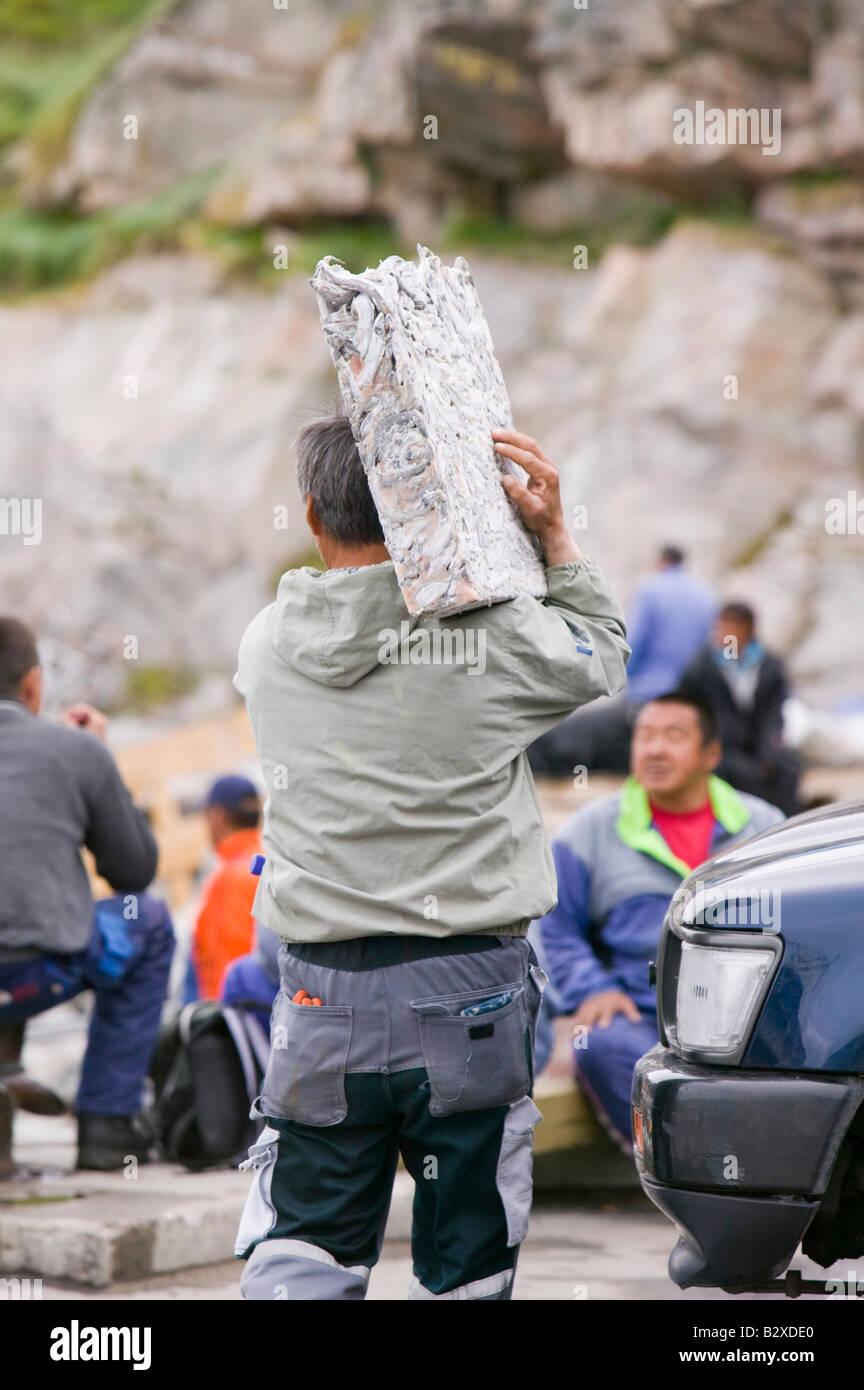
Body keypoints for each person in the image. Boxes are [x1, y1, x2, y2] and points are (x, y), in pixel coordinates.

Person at [232, 418, 630, 1301]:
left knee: (304, 1249)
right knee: (466, 1261)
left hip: (318, 997)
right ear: (427, 509)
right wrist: (552, 539)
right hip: (471, 991)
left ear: (310, 513)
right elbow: (599, 655)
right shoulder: (489, 639)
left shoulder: (266, 645)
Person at [537, 691, 783, 1153]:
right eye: (645, 735)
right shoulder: (586, 833)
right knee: (599, 1042)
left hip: (744, 1020)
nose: (654, 749)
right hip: (639, 1016)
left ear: (711, 753)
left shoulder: (764, 829)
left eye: (674, 736)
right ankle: (675, 1160)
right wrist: (592, 989)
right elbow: (554, 924)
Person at [0, 618, 175, 1172]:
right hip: (39, 972)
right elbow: (134, 872)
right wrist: (97, 762)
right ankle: (106, 1124)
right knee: (145, 920)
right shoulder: (76, 751)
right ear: (32, 685)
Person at [527, 545, 716, 776]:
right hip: (690, 698)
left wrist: (616, 680)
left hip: (647, 697)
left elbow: (633, 646)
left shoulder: (651, 590)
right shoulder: (706, 595)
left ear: (661, 562)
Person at [678, 602, 801, 816]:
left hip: (760, 745)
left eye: (730, 627)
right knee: (737, 773)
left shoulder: (769, 667)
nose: (722, 634)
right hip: (720, 746)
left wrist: (769, 753)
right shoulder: (703, 668)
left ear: (747, 629)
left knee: (787, 771)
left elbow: (774, 716)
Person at [189, 776, 264, 1000]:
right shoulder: (270, 864)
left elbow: (229, 963)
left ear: (217, 816)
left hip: (240, 1018)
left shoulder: (229, 878)